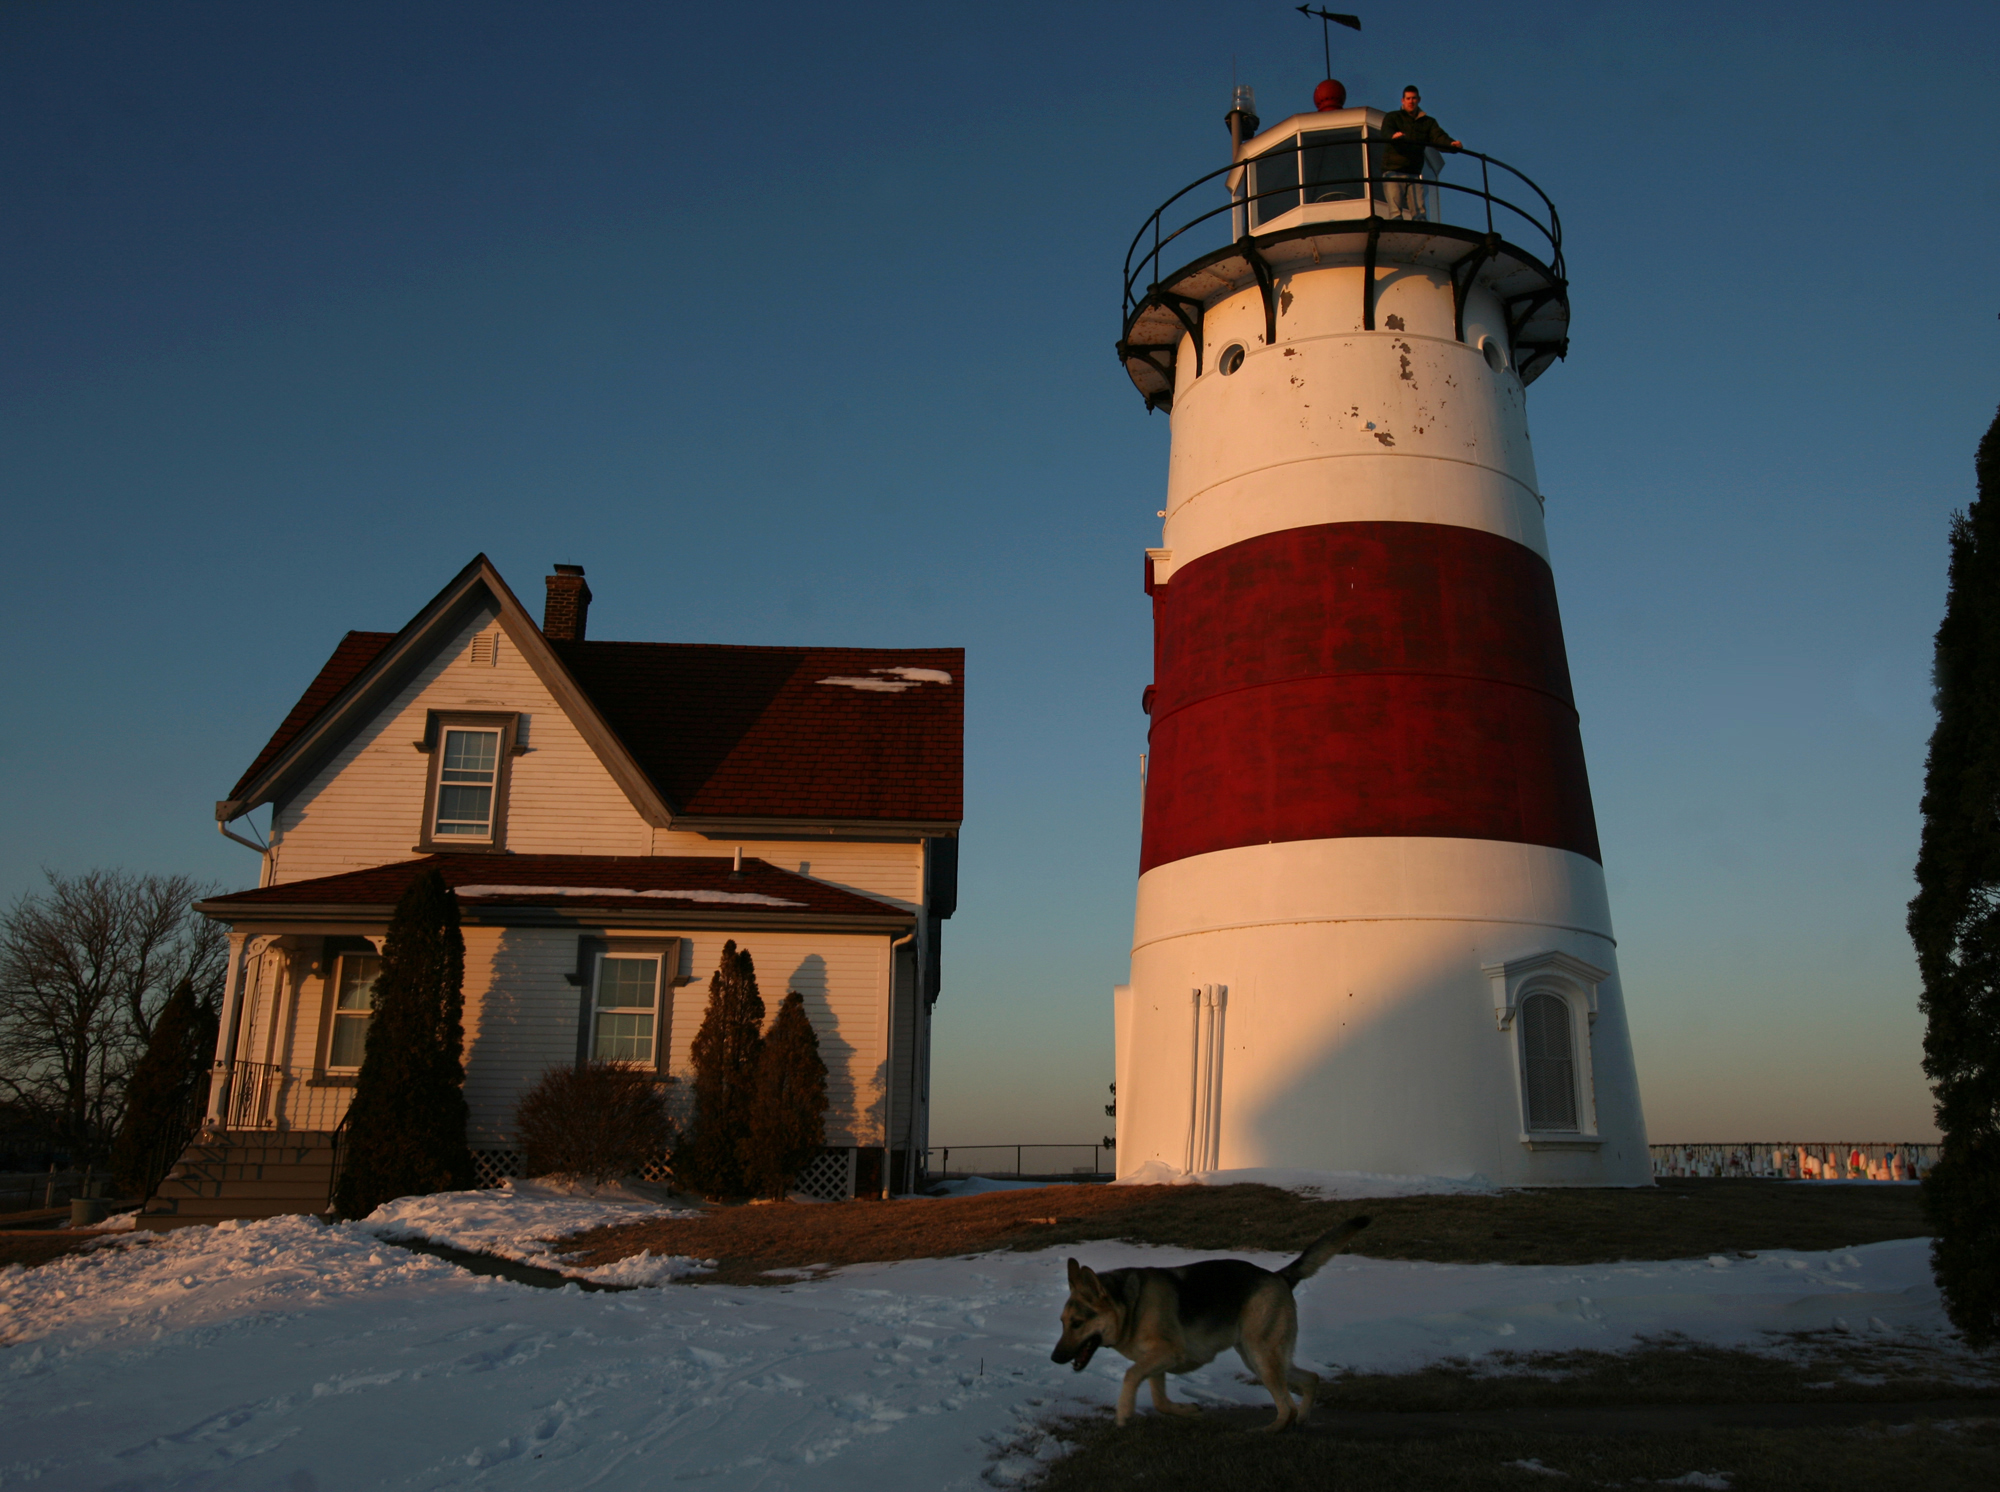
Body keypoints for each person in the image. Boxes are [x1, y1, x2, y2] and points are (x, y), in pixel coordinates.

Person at [1381, 86, 1460, 221]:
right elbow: (1386, 131)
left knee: (1419, 215)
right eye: (1408, 98)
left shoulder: (1427, 122)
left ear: (1419, 100)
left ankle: (1418, 228)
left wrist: (1451, 145)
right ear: (1403, 100)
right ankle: (1397, 228)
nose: (1411, 101)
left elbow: (1438, 137)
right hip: (1393, 170)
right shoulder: (1393, 117)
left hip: (1414, 171)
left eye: (1413, 98)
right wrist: (1393, 136)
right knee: (1395, 214)